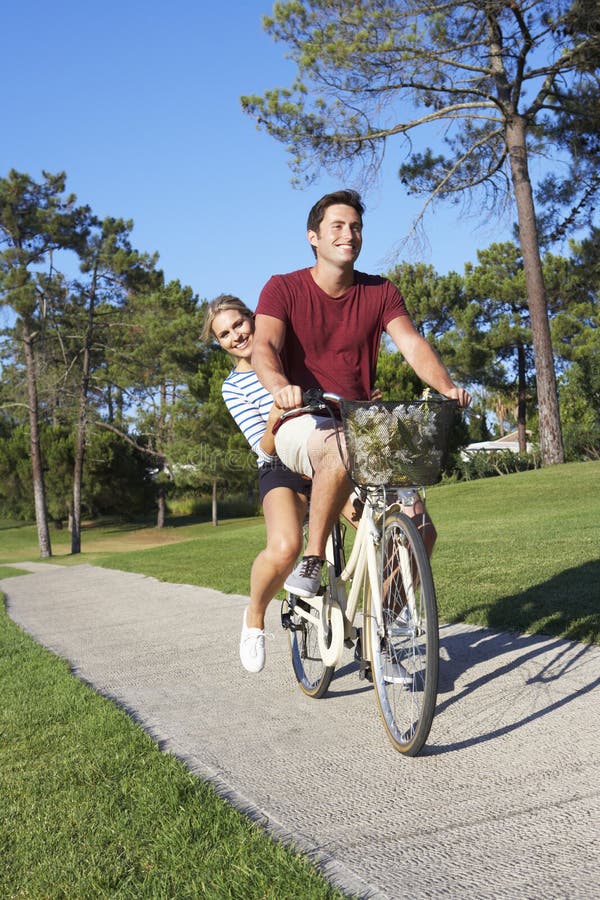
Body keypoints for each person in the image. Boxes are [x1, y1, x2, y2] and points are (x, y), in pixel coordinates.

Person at [252, 189, 471, 600]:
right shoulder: (283, 288)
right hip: (302, 420)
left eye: (355, 227)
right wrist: (281, 388)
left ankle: (386, 624)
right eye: (337, 226)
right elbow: (264, 346)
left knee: (420, 529)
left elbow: (411, 343)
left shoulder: (380, 291)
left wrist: (446, 387)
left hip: (360, 423)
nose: (348, 234)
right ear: (313, 236)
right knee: (337, 448)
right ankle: (313, 559)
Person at [201, 295, 310, 674]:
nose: (235, 336)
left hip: (324, 453)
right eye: (224, 334)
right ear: (219, 343)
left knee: (372, 530)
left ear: (253, 318)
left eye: (238, 324)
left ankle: (385, 632)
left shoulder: (288, 353)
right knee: (285, 548)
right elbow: (263, 448)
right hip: (279, 464)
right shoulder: (233, 389)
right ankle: (255, 615)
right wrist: (276, 414)